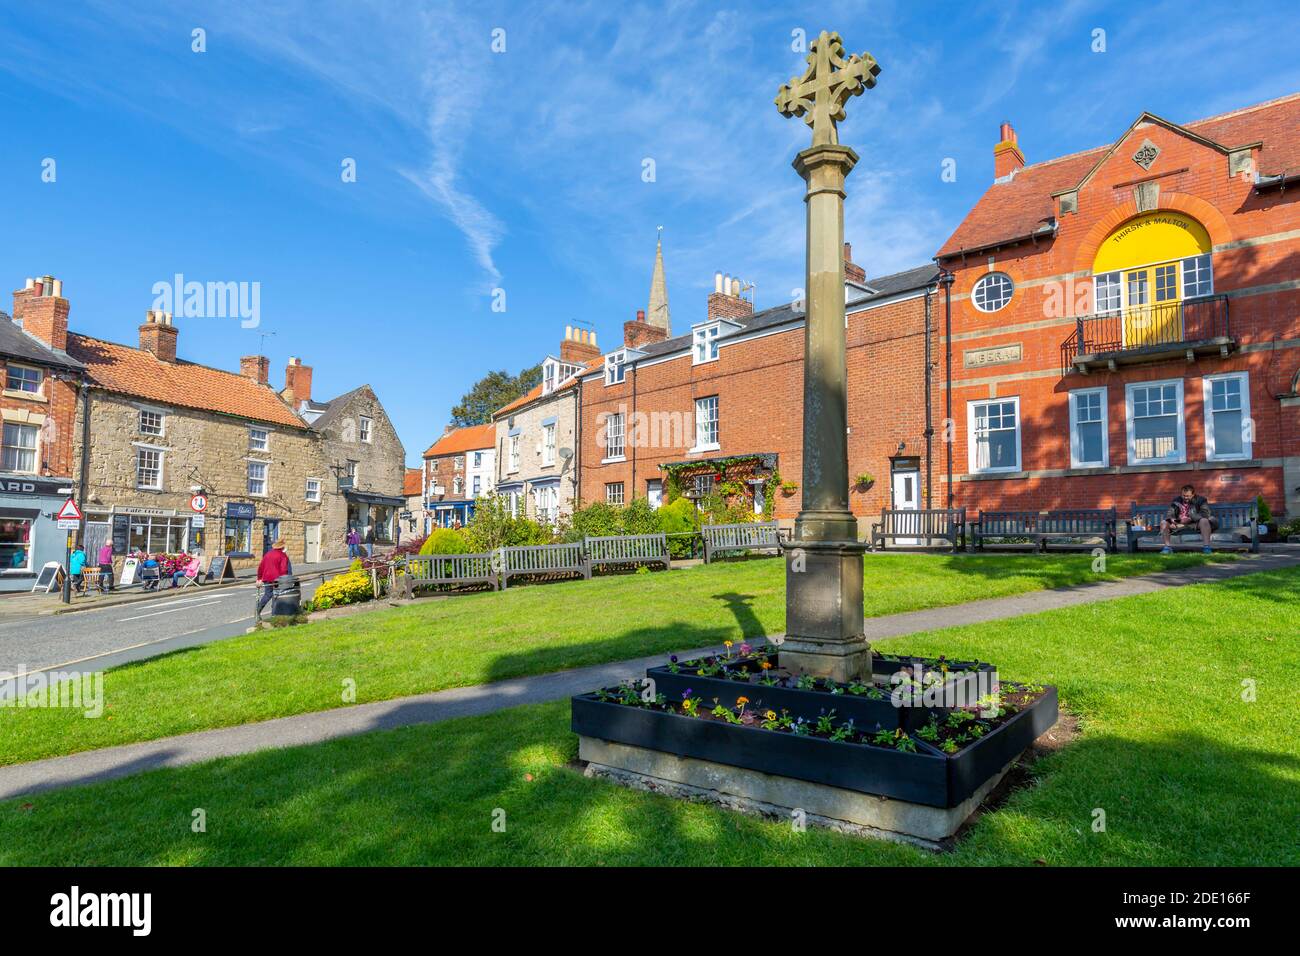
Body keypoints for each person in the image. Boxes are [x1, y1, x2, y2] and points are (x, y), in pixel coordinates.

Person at [1161, 484, 1217, 554]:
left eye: (1188, 496)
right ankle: (1167, 547)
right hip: (1179, 524)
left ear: (1193, 494)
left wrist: (1190, 518)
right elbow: (1169, 514)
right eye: (1183, 495)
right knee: (1164, 522)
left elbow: (1205, 513)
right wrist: (1171, 521)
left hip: (1194, 523)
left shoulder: (1201, 500)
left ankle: (1206, 547)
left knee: (1204, 520)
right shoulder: (1176, 500)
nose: (1185, 498)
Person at [256, 538, 290, 618]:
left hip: (267, 578)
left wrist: (259, 578)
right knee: (277, 595)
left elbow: (261, 567)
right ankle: (274, 613)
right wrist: (285, 579)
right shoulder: (283, 556)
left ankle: (258, 609)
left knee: (267, 594)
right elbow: (284, 569)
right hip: (277, 579)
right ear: (282, 547)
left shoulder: (268, 554)